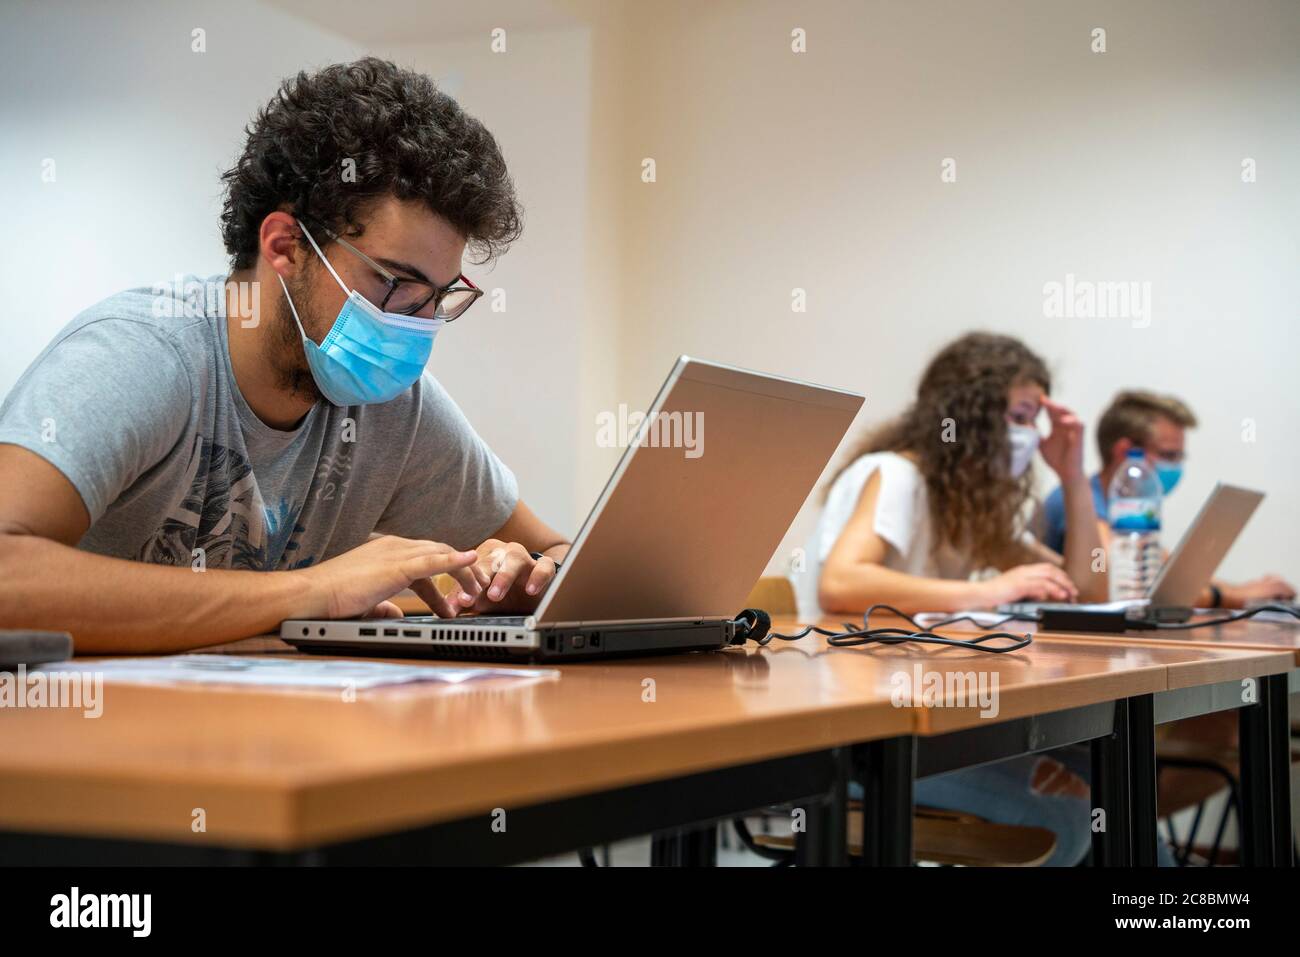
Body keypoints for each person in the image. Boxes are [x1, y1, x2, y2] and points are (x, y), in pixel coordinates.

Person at [0, 58, 570, 654]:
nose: (416, 325)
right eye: (395, 284)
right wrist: (311, 592)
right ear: (285, 246)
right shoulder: (145, 355)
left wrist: (522, 578)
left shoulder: (394, 410)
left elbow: (558, 555)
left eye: (438, 297)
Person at [802, 332, 1115, 866]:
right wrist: (987, 590)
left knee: (1098, 777)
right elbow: (842, 583)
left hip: (919, 727)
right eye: (1019, 416)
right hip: (854, 741)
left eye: (1033, 420)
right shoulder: (898, 475)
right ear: (969, 413)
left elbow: (1086, 588)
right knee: (1070, 817)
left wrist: (1072, 475)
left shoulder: (966, 504)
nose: (1028, 435)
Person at [1041, 390, 1295, 608]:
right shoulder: (1079, 501)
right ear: (1125, 452)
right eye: (1168, 455)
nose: (1175, 467)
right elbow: (1124, 585)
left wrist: (1246, 591)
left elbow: (1167, 574)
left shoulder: (1133, 511)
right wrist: (1229, 597)